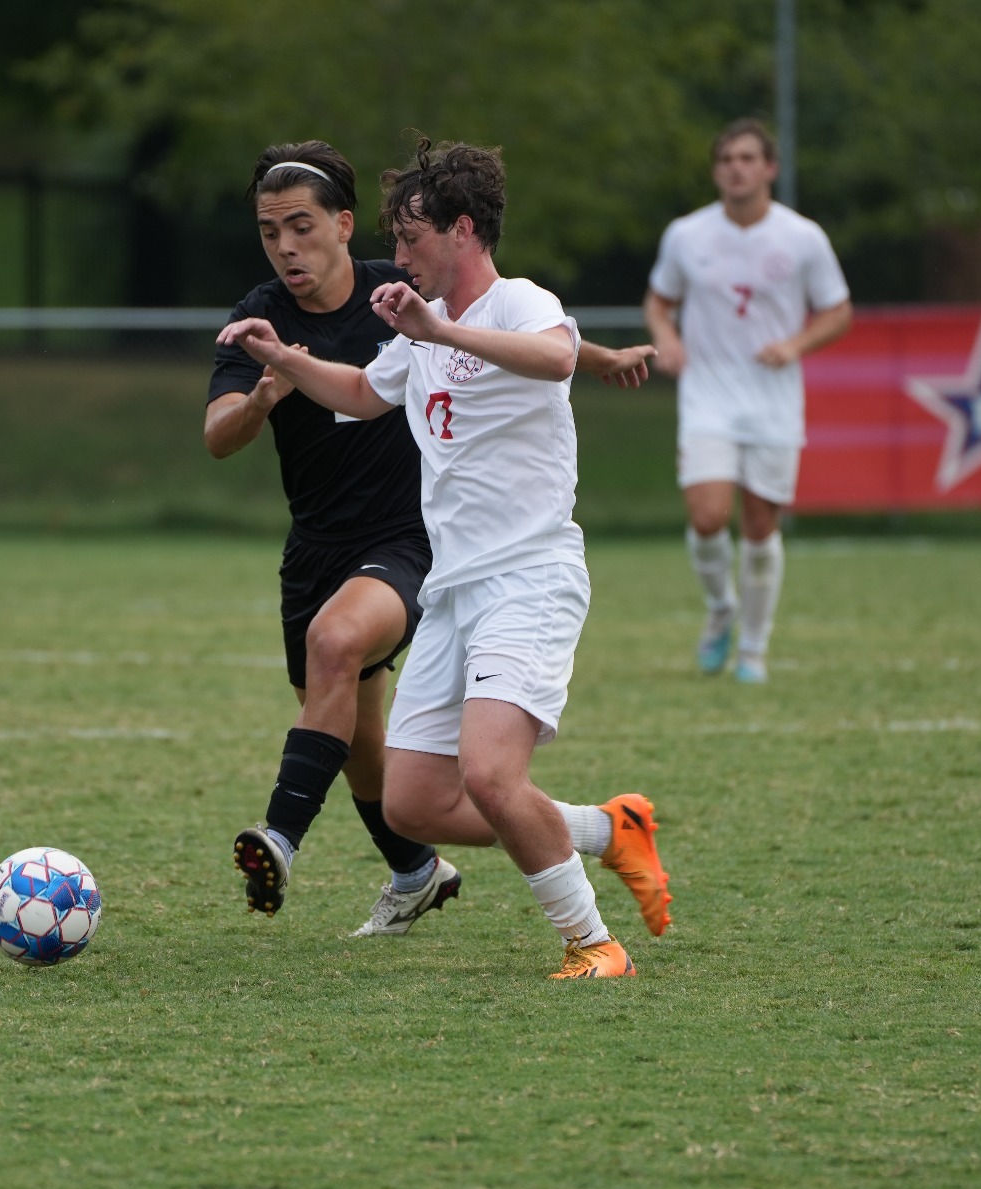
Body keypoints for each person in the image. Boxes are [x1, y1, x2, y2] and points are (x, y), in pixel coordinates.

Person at [220, 139, 670, 979]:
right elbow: (360, 392)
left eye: (414, 236)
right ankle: (612, 830)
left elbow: (560, 357)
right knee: (414, 799)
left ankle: (593, 942)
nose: (400, 255)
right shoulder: (419, 333)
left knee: (492, 774)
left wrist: (439, 327)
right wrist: (284, 361)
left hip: (529, 577)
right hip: (454, 589)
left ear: (463, 230)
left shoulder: (516, 304)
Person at [207, 142, 462, 930]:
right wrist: (261, 398)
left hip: (408, 538)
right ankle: (416, 870)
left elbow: (493, 336)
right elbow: (218, 435)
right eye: (269, 230)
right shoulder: (259, 315)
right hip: (314, 547)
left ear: (344, 225)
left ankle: (278, 839)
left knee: (335, 642)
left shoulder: (400, 292)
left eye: (302, 226)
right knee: (352, 730)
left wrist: (584, 358)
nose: (286, 246)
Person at [644, 118, 852, 683]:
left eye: (746, 158)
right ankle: (721, 611)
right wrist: (666, 338)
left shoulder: (802, 237)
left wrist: (796, 344)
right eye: (726, 159)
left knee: (761, 527)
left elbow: (838, 310)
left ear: (769, 169)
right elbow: (659, 302)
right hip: (707, 397)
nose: (736, 167)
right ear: (717, 172)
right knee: (708, 516)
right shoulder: (687, 234)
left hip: (773, 402)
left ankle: (754, 650)